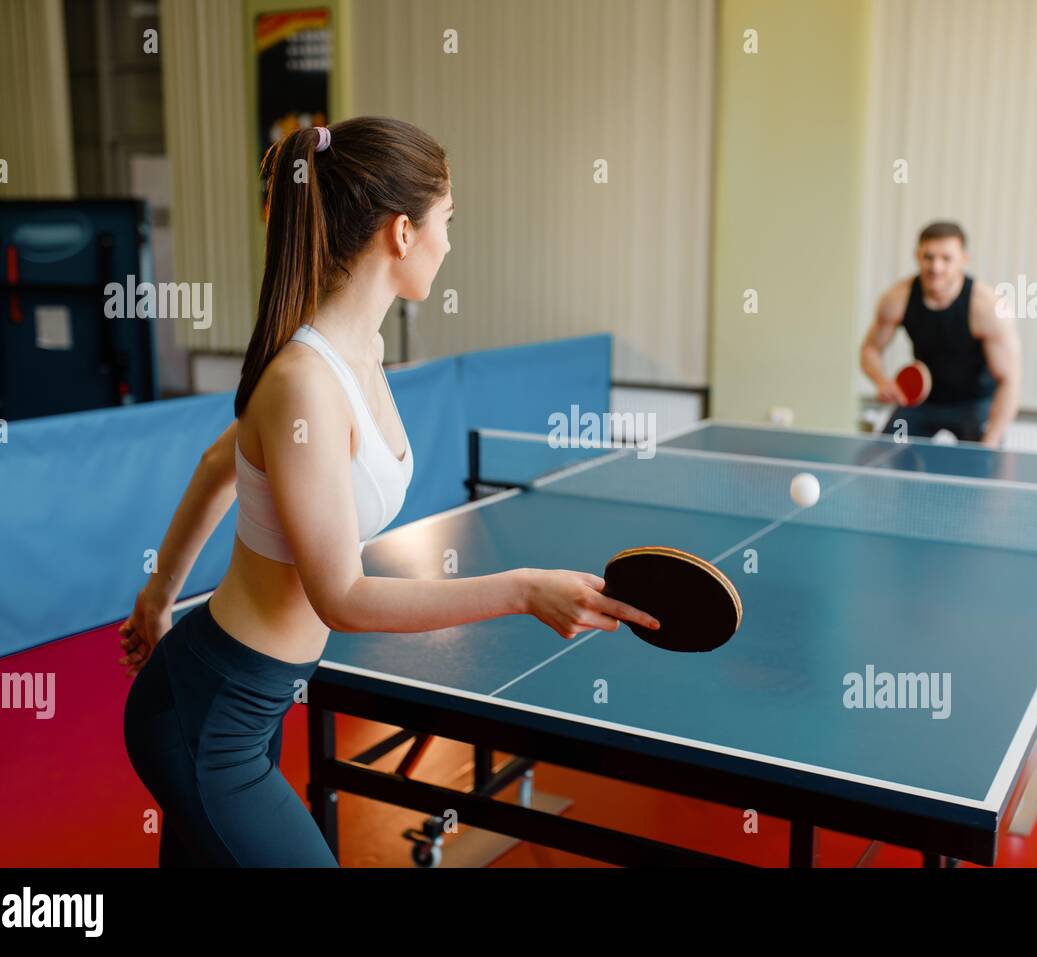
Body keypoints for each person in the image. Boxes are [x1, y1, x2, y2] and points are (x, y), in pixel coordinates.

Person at [119, 117, 658, 867]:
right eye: (448, 222)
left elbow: (220, 461)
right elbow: (341, 595)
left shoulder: (361, 352)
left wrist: (158, 594)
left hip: (248, 700)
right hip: (210, 714)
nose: (450, 241)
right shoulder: (306, 383)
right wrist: (525, 590)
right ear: (402, 233)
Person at [859, 221, 1021, 447]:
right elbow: (871, 349)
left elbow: (1009, 379)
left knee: (983, 471)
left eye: (946, 258)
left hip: (973, 404)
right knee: (881, 457)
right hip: (922, 402)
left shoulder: (986, 307)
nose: (936, 267)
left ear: (964, 259)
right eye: (929, 257)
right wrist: (881, 381)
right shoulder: (897, 299)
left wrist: (992, 439)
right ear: (917, 255)